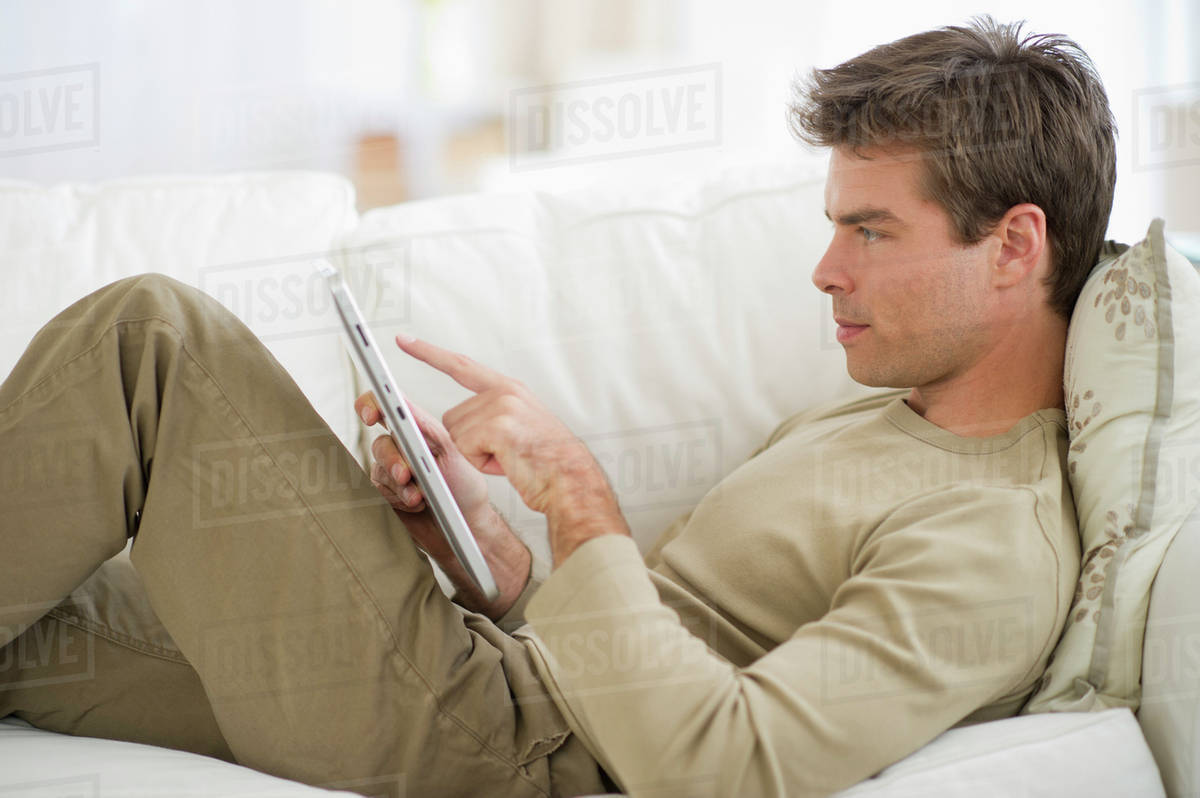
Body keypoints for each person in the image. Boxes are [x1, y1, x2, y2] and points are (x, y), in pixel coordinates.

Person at [0, 15, 1115, 798]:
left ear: (1014, 245)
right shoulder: (886, 415)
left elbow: (724, 768)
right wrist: (496, 562)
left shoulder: (992, 544)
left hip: (503, 750)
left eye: (869, 231)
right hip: (499, 678)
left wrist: (578, 497)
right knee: (40, 612)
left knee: (151, 340)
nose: (826, 271)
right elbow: (669, 649)